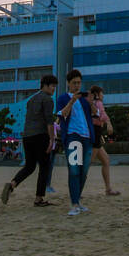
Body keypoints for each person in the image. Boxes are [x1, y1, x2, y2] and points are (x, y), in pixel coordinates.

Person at [1, 74, 58, 207]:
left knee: (30, 166)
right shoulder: (48, 100)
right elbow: (49, 121)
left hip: (27, 136)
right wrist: (52, 139)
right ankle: (38, 199)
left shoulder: (31, 100)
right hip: (40, 136)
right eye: (53, 86)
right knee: (44, 167)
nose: (54, 89)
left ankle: (12, 185)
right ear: (45, 85)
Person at [57, 76, 96, 217]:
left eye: (79, 83)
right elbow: (63, 115)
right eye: (74, 83)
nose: (77, 85)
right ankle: (74, 203)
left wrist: (91, 102)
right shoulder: (63, 98)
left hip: (86, 137)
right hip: (73, 136)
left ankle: (77, 200)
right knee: (74, 170)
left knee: (83, 172)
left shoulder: (84, 99)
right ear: (68, 83)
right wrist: (72, 101)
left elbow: (95, 114)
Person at [88, 85, 121, 196]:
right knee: (88, 162)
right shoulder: (97, 103)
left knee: (105, 160)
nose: (103, 95)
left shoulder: (92, 103)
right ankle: (77, 188)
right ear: (97, 94)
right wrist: (109, 124)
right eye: (102, 93)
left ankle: (108, 189)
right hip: (95, 133)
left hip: (96, 133)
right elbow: (102, 115)